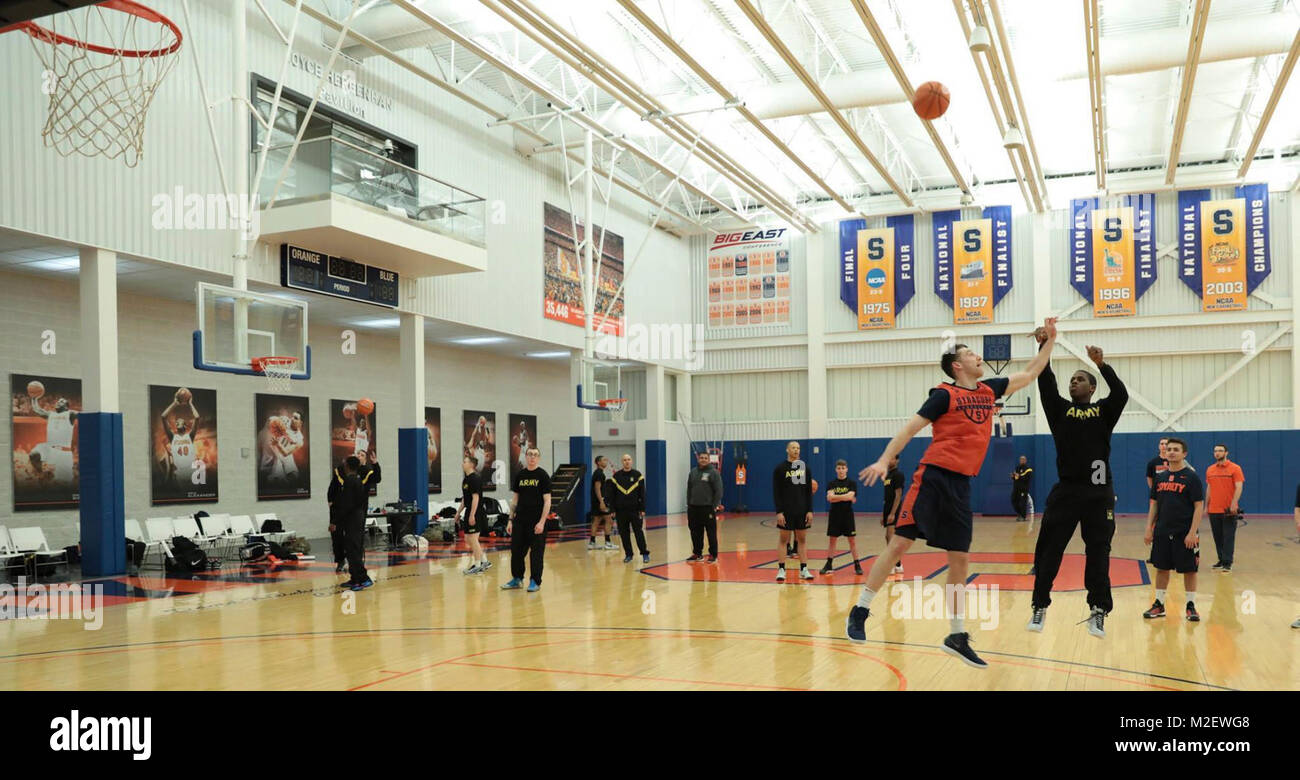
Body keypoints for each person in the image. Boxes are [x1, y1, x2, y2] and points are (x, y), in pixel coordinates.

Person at [847, 318, 1058, 668]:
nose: (979, 356)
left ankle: (956, 635)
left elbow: (1032, 372)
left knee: (960, 558)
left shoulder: (990, 390)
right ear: (957, 365)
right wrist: (885, 460)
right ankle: (861, 609)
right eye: (971, 353)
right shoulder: (944, 394)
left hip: (962, 484)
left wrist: (1050, 340)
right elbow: (911, 427)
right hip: (933, 478)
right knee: (900, 543)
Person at [1026, 340, 1128, 638]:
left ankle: (1098, 610)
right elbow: (1046, 383)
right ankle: (1039, 604)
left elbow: (1120, 394)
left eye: (1080, 379)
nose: (1074, 382)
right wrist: (1044, 345)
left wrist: (1101, 364)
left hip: (1099, 494)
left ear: (1092, 388)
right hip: (1067, 492)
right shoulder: (1060, 412)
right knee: (1049, 551)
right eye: (1071, 379)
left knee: (1099, 552)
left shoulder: (1103, 412)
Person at [1143, 438, 1202, 622]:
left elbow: (1199, 506)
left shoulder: (1191, 477)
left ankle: (1191, 606)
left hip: (1184, 532)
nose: (1171, 452)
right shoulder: (1160, 477)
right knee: (1161, 568)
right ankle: (1159, 604)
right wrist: (1149, 528)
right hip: (1162, 530)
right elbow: (1154, 505)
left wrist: (1193, 532)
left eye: (1176, 449)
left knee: (1190, 570)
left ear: (1184, 453)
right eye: (1169, 449)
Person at [502, 447, 551, 592]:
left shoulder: (543, 476)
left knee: (536, 553)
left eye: (535, 455)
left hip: (536, 521)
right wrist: (510, 519)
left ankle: (535, 581)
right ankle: (517, 579)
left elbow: (547, 501)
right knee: (516, 551)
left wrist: (542, 522)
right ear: (526, 456)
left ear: (539, 458)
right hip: (520, 520)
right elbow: (515, 499)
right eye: (530, 454)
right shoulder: (520, 475)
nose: (532, 457)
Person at [773, 441, 814, 581]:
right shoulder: (780, 469)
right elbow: (776, 492)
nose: (796, 450)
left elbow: (808, 491)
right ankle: (781, 569)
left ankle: (804, 569)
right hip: (786, 511)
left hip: (802, 510)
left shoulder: (804, 468)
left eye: (798, 448)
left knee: (802, 539)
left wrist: (810, 510)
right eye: (793, 448)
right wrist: (779, 512)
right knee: (784, 539)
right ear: (787, 450)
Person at [336, 456, 374, 591]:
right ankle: (356, 578)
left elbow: (347, 503)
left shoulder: (350, 481)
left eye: (344, 463)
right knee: (352, 549)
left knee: (353, 550)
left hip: (353, 518)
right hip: (357, 517)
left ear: (347, 466)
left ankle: (361, 580)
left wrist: (337, 520)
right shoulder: (358, 480)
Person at [1204, 444, 1244, 573]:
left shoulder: (1235, 468)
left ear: (1226, 453)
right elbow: (1209, 488)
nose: (1217, 453)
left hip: (1229, 510)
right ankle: (1221, 560)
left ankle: (1227, 562)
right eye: (1215, 451)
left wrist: (1234, 504)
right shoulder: (1210, 469)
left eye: (1220, 451)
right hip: (1213, 509)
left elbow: (1239, 487)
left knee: (1228, 537)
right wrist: (1206, 506)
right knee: (1218, 537)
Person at [822, 460, 863, 576]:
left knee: (852, 540)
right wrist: (845, 497)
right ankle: (829, 564)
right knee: (832, 540)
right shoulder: (831, 484)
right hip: (834, 515)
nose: (841, 470)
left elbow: (850, 496)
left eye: (843, 468)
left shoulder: (851, 483)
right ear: (836, 469)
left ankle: (857, 564)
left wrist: (837, 497)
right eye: (839, 468)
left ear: (847, 469)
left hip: (847, 515)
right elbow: (830, 498)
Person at [609, 454, 649, 564]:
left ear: (631, 461)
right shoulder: (616, 476)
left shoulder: (638, 475)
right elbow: (612, 495)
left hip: (635, 510)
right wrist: (612, 510)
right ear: (622, 462)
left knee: (638, 532)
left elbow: (642, 493)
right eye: (625, 460)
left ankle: (644, 553)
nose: (627, 461)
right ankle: (628, 554)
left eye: (629, 459)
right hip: (621, 511)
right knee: (624, 534)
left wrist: (642, 508)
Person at [686, 450, 723, 563]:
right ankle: (697, 553)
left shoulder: (714, 473)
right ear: (698, 459)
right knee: (695, 532)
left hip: (707, 508)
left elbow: (719, 491)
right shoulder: (693, 472)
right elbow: (689, 489)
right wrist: (689, 503)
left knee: (711, 532)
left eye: (705, 458)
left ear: (709, 460)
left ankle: (713, 555)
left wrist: (714, 506)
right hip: (693, 508)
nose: (703, 460)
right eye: (701, 458)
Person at [460, 455, 492, 574]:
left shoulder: (475, 479)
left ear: (471, 465)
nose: (462, 463)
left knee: (473, 538)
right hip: (470, 510)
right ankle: (484, 561)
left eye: (465, 461)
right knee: (468, 538)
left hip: (476, 511)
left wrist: (472, 515)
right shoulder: (466, 480)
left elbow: (475, 498)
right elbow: (465, 498)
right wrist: (458, 513)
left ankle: (478, 564)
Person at [880, 455, 905, 577]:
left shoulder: (898, 475)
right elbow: (887, 496)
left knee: (890, 536)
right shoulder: (887, 476)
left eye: (892, 458)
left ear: (897, 461)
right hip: (887, 509)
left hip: (894, 510)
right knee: (888, 537)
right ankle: (898, 564)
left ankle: (893, 564)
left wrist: (893, 513)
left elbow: (898, 495)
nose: (889, 460)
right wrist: (883, 514)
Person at [588, 455, 615, 551]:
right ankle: (607, 542)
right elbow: (597, 488)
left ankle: (592, 542)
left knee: (596, 520)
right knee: (609, 520)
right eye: (604, 460)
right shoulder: (599, 474)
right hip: (599, 501)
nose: (606, 461)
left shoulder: (597, 473)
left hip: (595, 501)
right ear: (598, 462)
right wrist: (601, 501)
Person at [327, 459, 348, 573]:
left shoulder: (358, 475)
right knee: (336, 537)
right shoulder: (338, 473)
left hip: (351, 511)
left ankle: (352, 560)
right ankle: (340, 561)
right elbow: (331, 489)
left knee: (350, 538)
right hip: (337, 510)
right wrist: (331, 501)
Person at [1011, 456, 1033, 522]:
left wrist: (1019, 476)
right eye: (1020, 459)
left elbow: (1027, 478)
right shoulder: (1017, 468)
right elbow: (1016, 478)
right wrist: (1013, 477)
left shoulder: (1028, 469)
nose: (1022, 460)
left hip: (1023, 489)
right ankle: (1019, 514)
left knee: (1022, 503)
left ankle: (1023, 517)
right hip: (1016, 488)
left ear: (1025, 460)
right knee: (1014, 500)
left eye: (1023, 459)